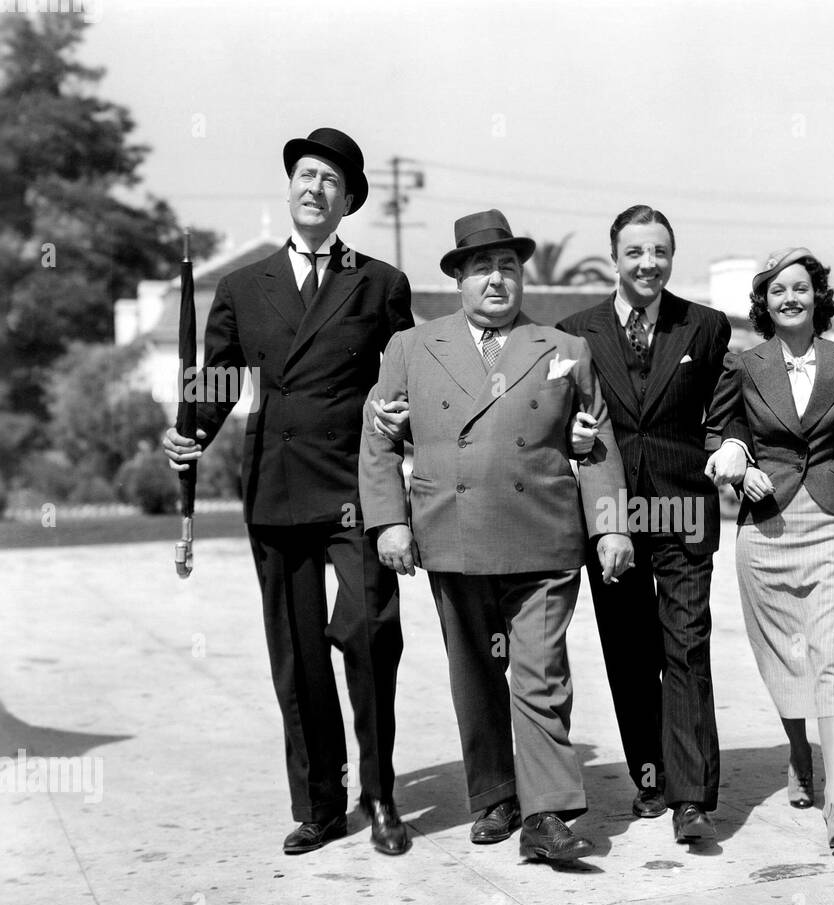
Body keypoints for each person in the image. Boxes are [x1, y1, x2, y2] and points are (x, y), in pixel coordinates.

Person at [163, 128, 413, 857]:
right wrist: (191, 434)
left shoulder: (380, 283)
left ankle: (381, 793)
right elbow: (216, 381)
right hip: (275, 485)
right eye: (305, 175)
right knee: (298, 653)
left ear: (347, 201)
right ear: (290, 188)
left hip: (355, 484)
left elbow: (405, 377)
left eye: (330, 181)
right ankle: (321, 803)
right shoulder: (244, 286)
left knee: (368, 633)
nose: (314, 188)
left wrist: (407, 439)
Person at [359, 209, 634, 866]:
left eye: (507, 267)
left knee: (541, 675)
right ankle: (493, 796)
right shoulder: (410, 348)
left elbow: (597, 444)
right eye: (481, 268)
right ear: (458, 278)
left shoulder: (564, 349)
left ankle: (548, 815)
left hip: (542, 540)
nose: (496, 280)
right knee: (476, 675)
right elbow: (378, 441)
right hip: (452, 539)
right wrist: (389, 520)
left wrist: (612, 526)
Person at [556, 206, 743, 845]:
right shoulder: (574, 333)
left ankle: (692, 797)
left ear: (672, 256)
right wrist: (568, 436)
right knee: (629, 649)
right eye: (635, 251)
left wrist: (734, 449)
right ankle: (649, 775)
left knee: (686, 645)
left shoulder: (707, 327)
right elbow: (555, 418)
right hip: (612, 513)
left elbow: (727, 412)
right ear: (615, 256)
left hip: (683, 509)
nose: (648, 264)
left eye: (660, 251)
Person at [707, 249, 834, 858]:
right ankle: (798, 749)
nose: (790, 298)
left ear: (818, 297)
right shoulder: (744, 362)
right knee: (784, 652)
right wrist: (737, 462)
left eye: (801, 289)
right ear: (764, 302)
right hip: (766, 522)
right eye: (778, 290)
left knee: (833, 654)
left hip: (832, 519)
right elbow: (719, 427)